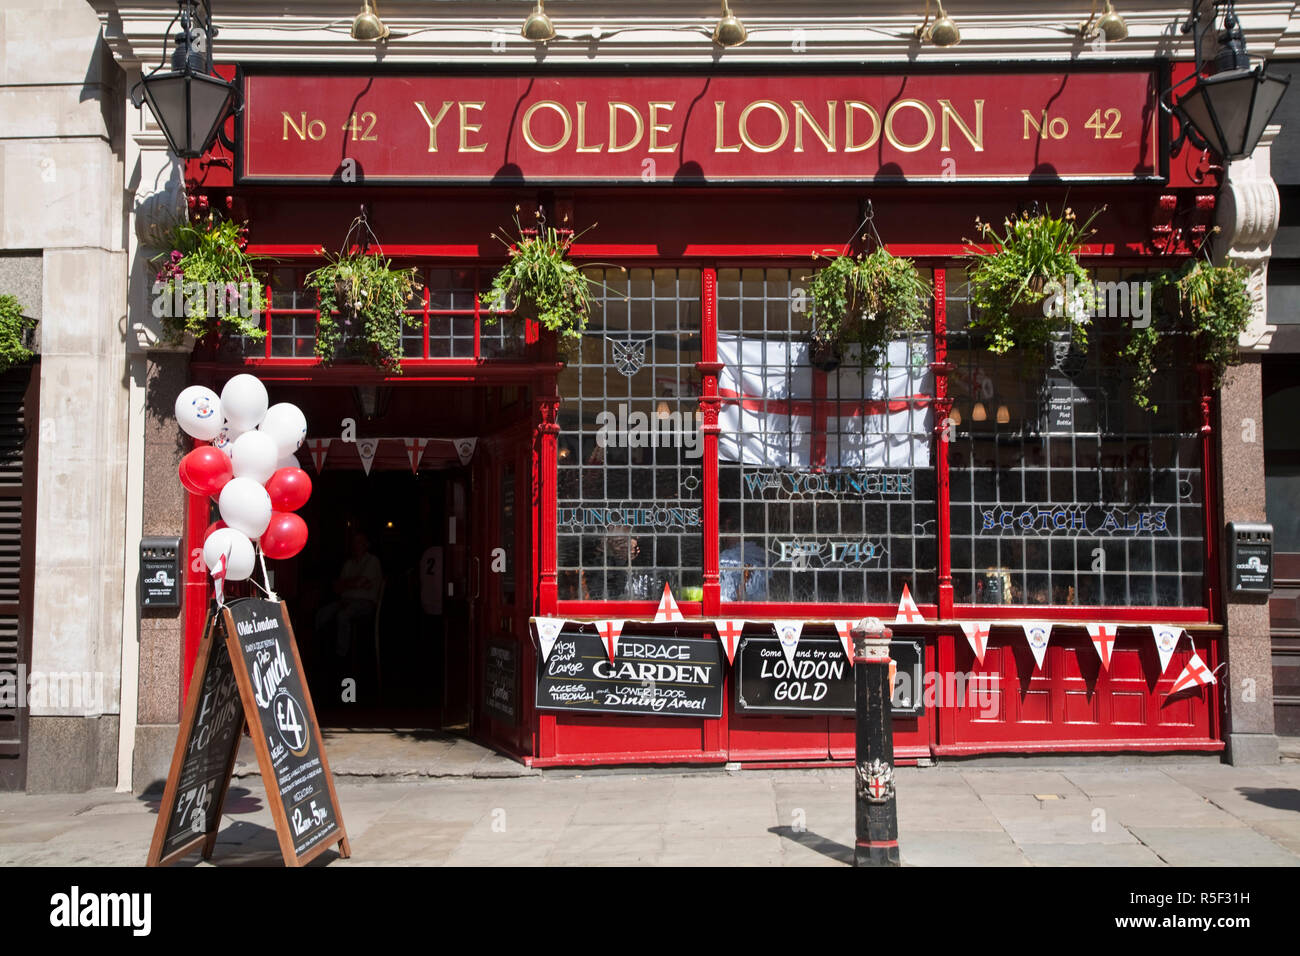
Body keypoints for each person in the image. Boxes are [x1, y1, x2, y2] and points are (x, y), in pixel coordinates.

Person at [315, 531, 383, 673]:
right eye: (354, 542)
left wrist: (348, 584)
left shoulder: (372, 561)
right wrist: (352, 583)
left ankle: (342, 658)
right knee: (322, 613)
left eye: (359, 542)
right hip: (345, 600)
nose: (356, 545)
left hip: (365, 603)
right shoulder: (348, 563)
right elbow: (337, 587)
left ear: (366, 545)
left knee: (343, 615)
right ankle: (319, 652)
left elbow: (360, 582)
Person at [719, 512, 769, 601]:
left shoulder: (728, 557)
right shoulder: (762, 554)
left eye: (727, 532)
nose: (724, 538)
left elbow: (724, 596)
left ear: (739, 532)